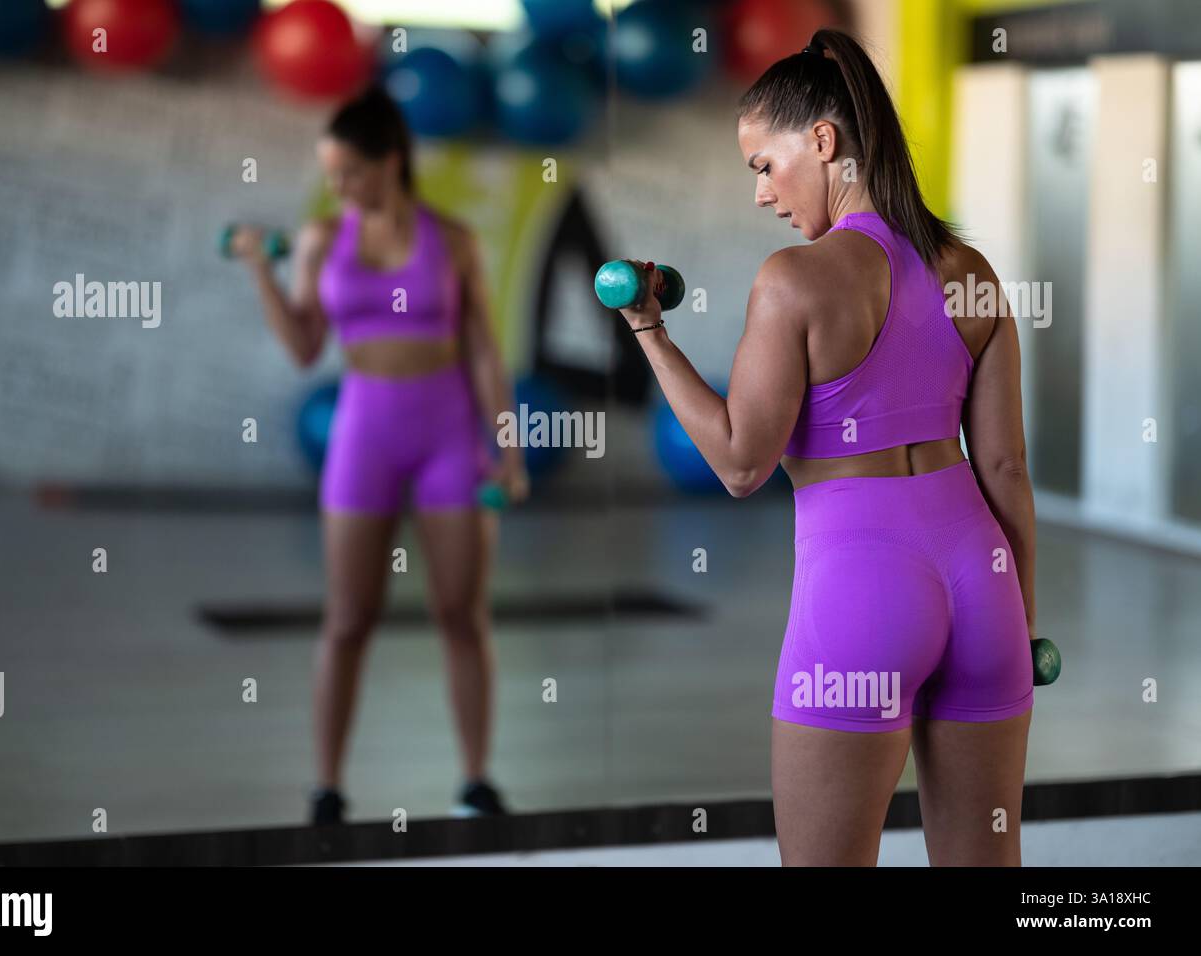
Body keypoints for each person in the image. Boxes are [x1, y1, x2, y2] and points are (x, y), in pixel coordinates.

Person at [612, 29, 1037, 865]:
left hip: (865, 592)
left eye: (763, 167)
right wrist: (1024, 618)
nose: (762, 195)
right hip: (983, 589)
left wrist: (649, 331)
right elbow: (1005, 470)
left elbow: (741, 463)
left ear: (823, 141)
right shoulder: (973, 271)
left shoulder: (794, 280)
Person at [230, 85, 529, 825]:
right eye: (330, 175)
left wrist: (509, 447)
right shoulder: (321, 240)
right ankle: (326, 788)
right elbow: (305, 347)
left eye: (349, 173)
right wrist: (259, 270)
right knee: (348, 618)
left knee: (460, 612)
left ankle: (475, 781)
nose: (337, 189)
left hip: (449, 434)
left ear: (390, 162)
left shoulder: (453, 239)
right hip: (364, 433)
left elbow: (486, 352)